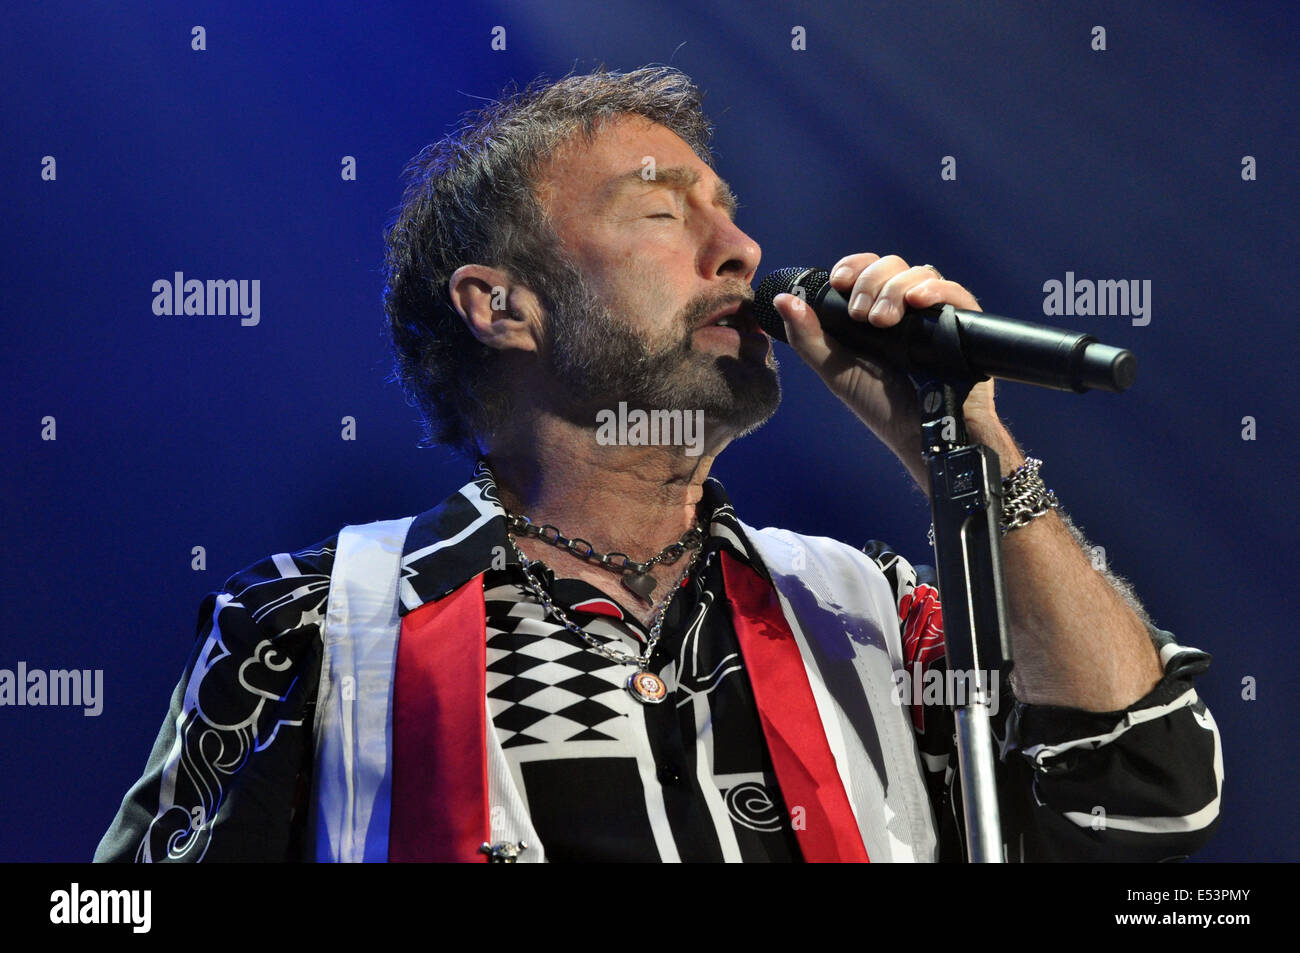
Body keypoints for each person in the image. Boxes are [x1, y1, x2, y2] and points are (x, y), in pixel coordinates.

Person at [94, 66, 1221, 863]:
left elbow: (1148, 801)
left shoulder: (870, 611)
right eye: (659, 212)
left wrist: (963, 440)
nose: (736, 250)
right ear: (502, 304)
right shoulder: (318, 625)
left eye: (726, 213)